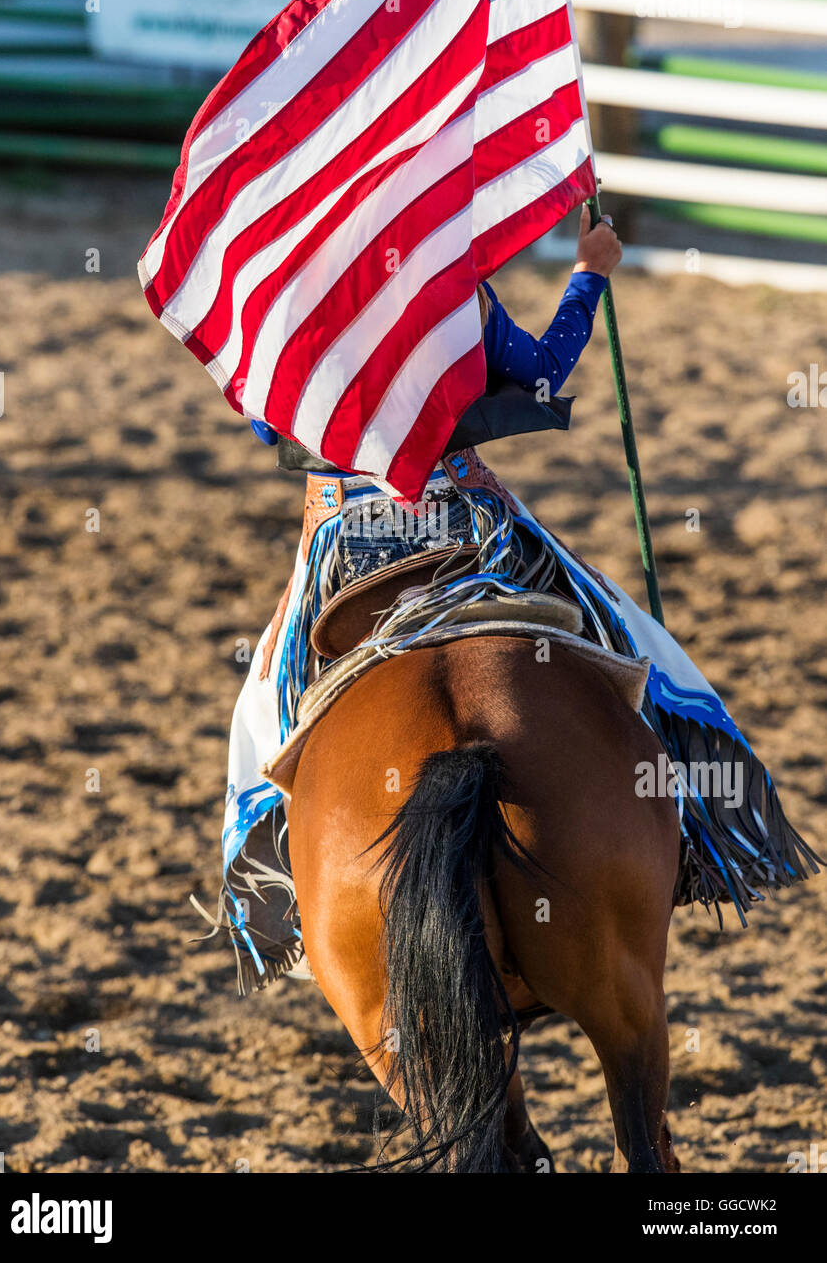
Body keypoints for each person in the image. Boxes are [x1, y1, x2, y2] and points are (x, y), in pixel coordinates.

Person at [211, 206, 817, 993]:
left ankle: (278, 904)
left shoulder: (301, 308)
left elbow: (266, 424)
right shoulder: (457, 289)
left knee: (263, 710)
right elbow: (542, 372)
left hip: (340, 535)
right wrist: (589, 273)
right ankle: (700, 832)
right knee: (633, 640)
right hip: (469, 516)